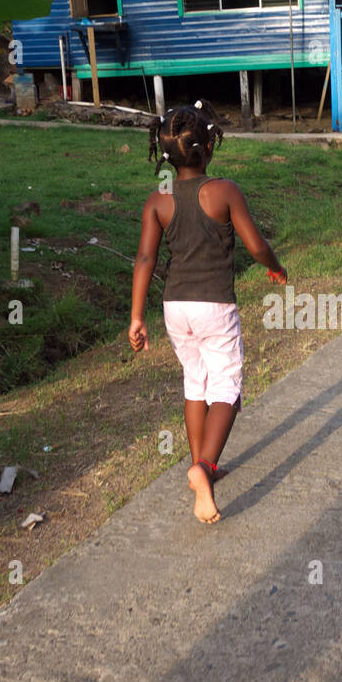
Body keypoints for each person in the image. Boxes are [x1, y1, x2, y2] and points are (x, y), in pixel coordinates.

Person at [129, 102, 287, 524]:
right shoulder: (225, 191)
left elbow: (145, 260)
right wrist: (275, 267)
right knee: (228, 389)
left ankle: (201, 466)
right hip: (213, 305)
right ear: (209, 147)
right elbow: (255, 245)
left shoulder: (157, 201)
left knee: (195, 383)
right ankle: (204, 468)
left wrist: (136, 317)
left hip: (174, 308)